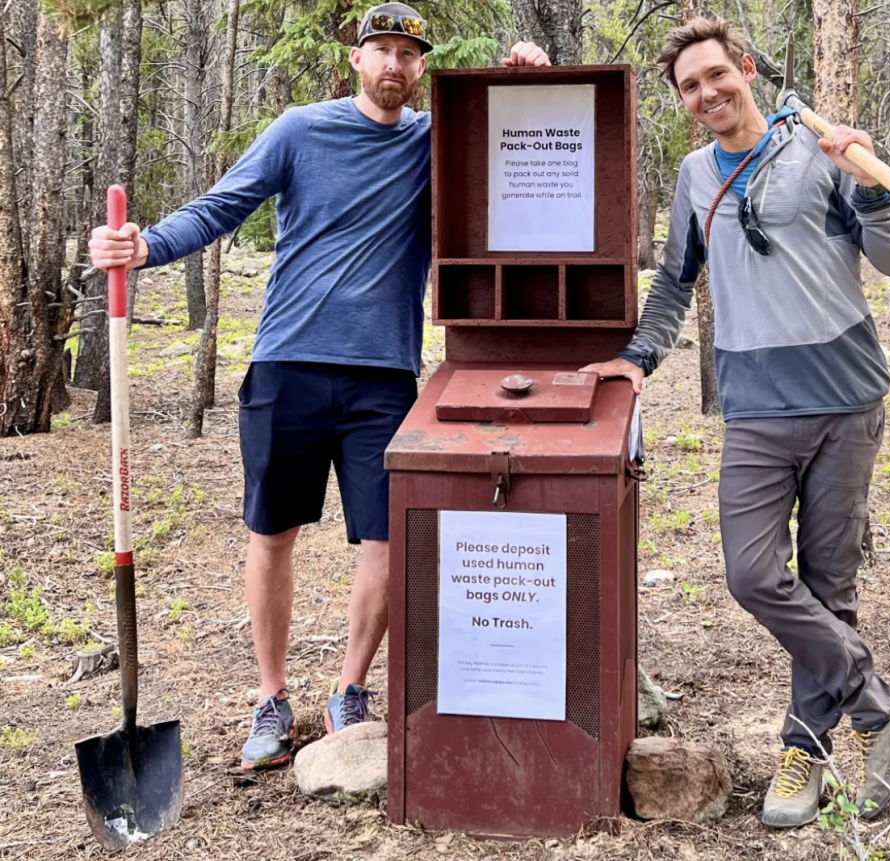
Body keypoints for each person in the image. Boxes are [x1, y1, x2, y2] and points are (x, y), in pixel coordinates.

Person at [88, 3, 550, 770]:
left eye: (410, 53)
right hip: (288, 364)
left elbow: (512, 140)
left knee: (388, 535)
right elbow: (222, 206)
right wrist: (142, 246)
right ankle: (271, 696)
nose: (396, 65)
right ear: (357, 61)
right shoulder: (301, 131)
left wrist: (525, 73)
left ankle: (351, 688)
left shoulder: (435, 144)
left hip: (384, 375)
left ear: (421, 67)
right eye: (383, 51)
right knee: (272, 532)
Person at [582, 18, 890, 828]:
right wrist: (639, 358)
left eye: (716, 76)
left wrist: (870, 186)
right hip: (758, 408)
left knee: (828, 586)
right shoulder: (697, 176)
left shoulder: (822, 151)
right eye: (689, 88)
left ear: (745, 69)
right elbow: (674, 282)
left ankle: (805, 751)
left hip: (846, 399)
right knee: (751, 574)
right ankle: (882, 706)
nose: (707, 95)